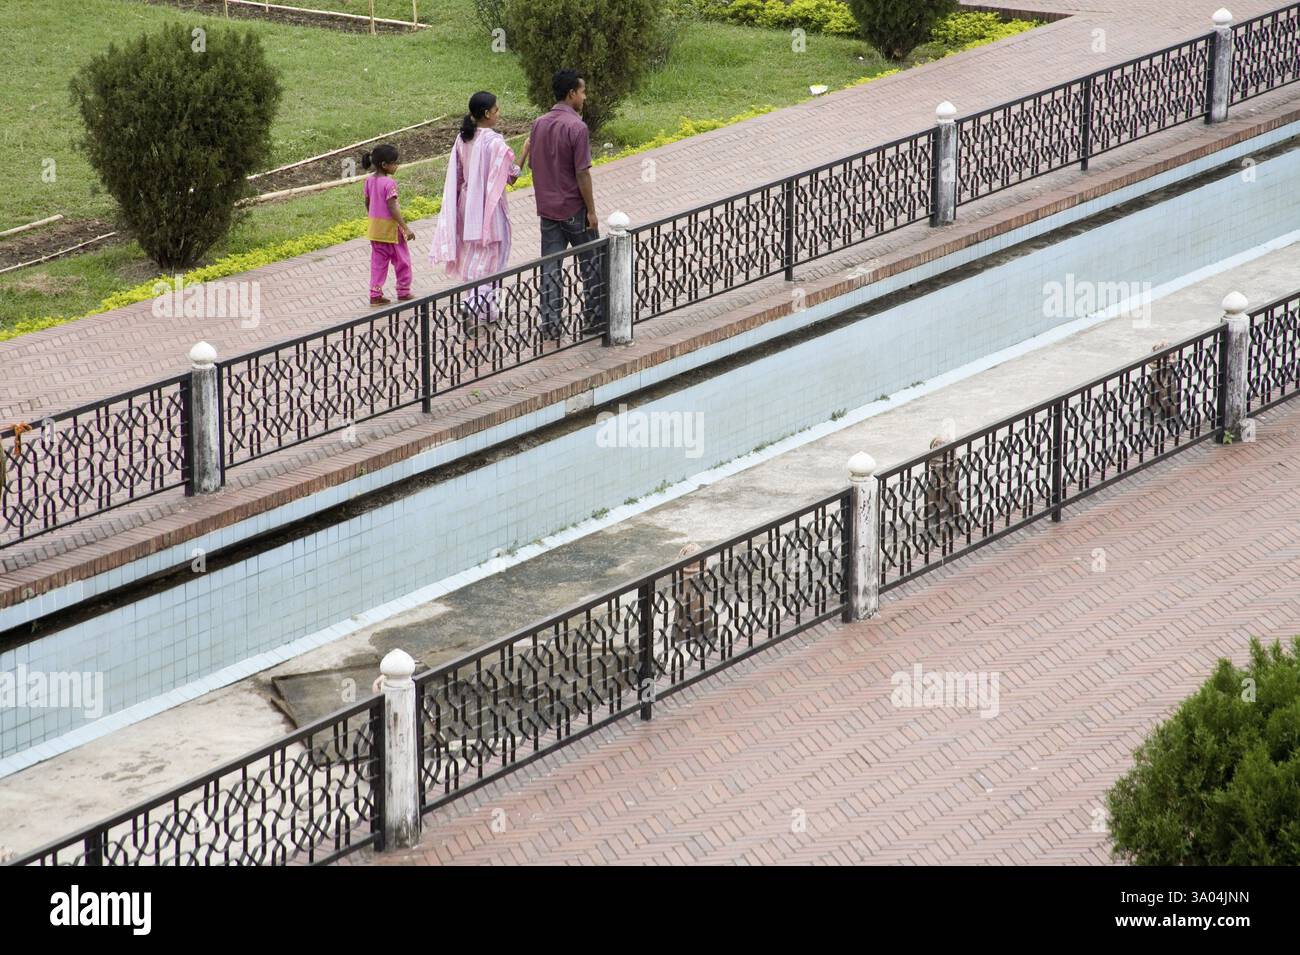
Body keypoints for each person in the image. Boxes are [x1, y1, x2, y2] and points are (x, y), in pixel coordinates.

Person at [429, 91, 523, 334]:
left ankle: (486, 309)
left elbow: (459, 174)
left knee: (474, 258)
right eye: (497, 109)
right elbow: (511, 176)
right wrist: (526, 152)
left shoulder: (463, 138)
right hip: (488, 210)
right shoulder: (495, 143)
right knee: (493, 258)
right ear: (487, 114)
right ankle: (472, 306)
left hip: (466, 204)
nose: (499, 113)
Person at [525, 69, 604, 341]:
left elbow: (535, 165)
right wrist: (591, 211)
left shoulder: (539, 123)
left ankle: (551, 325)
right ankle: (594, 320)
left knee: (551, 266)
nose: (585, 96)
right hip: (574, 209)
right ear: (572, 94)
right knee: (592, 263)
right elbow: (582, 172)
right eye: (582, 91)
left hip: (547, 210)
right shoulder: (577, 127)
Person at [361, 144, 415, 306]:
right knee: (402, 260)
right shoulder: (389, 183)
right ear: (384, 165)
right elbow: (392, 207)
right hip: (391, 231)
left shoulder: (369, 180)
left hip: (375, 230)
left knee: (378, 263)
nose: (396, 165)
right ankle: (403, 291)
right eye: (394, 162)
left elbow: (367, 202)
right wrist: (405, 227)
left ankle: (375, 294)